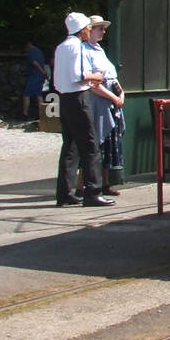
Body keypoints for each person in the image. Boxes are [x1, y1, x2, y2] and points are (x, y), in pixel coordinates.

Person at [53, 11, 113, 207]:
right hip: (78, 98)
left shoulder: (61, 47)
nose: (89, 30)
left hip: (64, 98)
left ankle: (64, 193)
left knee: (70, 146)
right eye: (88, 27)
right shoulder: (77, 47)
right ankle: (93, 192)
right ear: (82, 30)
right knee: (91, 146)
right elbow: (79, 75)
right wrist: (97, 76)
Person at [84, 15, 126, 195]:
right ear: (89, 30)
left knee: (108, 142)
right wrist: (113, 97)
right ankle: (87, 185)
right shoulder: (84, 50)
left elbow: (110, 76)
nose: (103, 31)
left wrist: (121, 93)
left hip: (110, 100)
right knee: (97, 143)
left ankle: (105, 183)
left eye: (103, 28)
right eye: (99, 28)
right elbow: (94, 84)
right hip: (99, 102)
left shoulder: (99, 49)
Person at [22, 40, 50, 119]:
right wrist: (45, 74)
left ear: (30, 43)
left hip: (34, 75)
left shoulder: (32, 52)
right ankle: (42, 114)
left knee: (26, 94)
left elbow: (35, 63)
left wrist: (42, 71)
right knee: (39, 95)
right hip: (40, 77)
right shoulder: (40, 52)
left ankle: (25, 113)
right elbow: (43, 63)